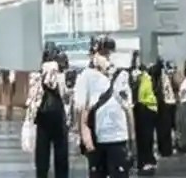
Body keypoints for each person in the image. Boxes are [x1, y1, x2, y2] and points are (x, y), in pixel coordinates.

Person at [77, 37, 132, 178]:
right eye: (102, 53)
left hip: (119, 137)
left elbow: (128, 109)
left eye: (108, 53)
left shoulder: (121, 75)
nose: (106, 57)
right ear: (93, 55)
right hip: (98, 138)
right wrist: (85, 136)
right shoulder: (86, 76)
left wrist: (132, 139)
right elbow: (82, 109)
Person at [26, 50, 70, 178]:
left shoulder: (38, 73)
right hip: (59, 115)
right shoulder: (61, 73)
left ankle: (42, 174)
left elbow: (32, 96)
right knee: (61, 150)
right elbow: (67, 93)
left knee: (42, 151)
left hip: (43, 115)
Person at [133, 61, 159, 175]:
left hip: (144, 109)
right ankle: (146, 161)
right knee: (146, 138)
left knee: (144, 138)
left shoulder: (143, 78)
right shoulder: (147, 78)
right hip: (147, 109)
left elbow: (140, 95)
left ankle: (144, 161)